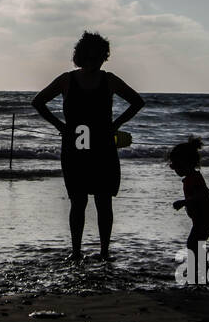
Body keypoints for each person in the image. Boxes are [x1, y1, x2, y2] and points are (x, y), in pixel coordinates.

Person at [32, 31, 145, 262]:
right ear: (81, 57)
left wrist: (115, 125)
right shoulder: (66, 80)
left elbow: (137, 102)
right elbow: (38, 101)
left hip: (103, 148)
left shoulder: (109, 79)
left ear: (104, 57)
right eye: (89, 58)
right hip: (75, 149)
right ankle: (76, 251)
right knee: (78, 201)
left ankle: (104, 252)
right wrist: (60, 127)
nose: (94, 63)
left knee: (104, 201)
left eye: (99, 58)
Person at [168, 135, 209, 277]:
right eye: (173, 166)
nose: (175, 169)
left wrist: (184, 202)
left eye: (176, 165)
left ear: (187, 163)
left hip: (205, 219)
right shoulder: (190, 178)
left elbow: (206, 194)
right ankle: (202, 270)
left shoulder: (195, 179)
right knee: (195, 244)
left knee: (193, 244)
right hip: (201, 219)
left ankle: (203, 272)